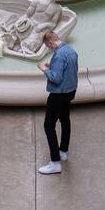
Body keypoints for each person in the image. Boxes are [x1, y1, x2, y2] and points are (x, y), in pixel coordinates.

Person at [37, 29, 78, 174]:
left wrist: (44, 69)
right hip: (70, 92)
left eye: (48, 46)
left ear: (50, 42)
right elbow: (69, 71)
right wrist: (53, 67)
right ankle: (63, 151)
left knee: (48, 126)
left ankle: (55, 162)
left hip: (58, 95)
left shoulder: (59, 55)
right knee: (65, 120)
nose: (49, 49)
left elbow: (56, 78)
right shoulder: (71, 51)